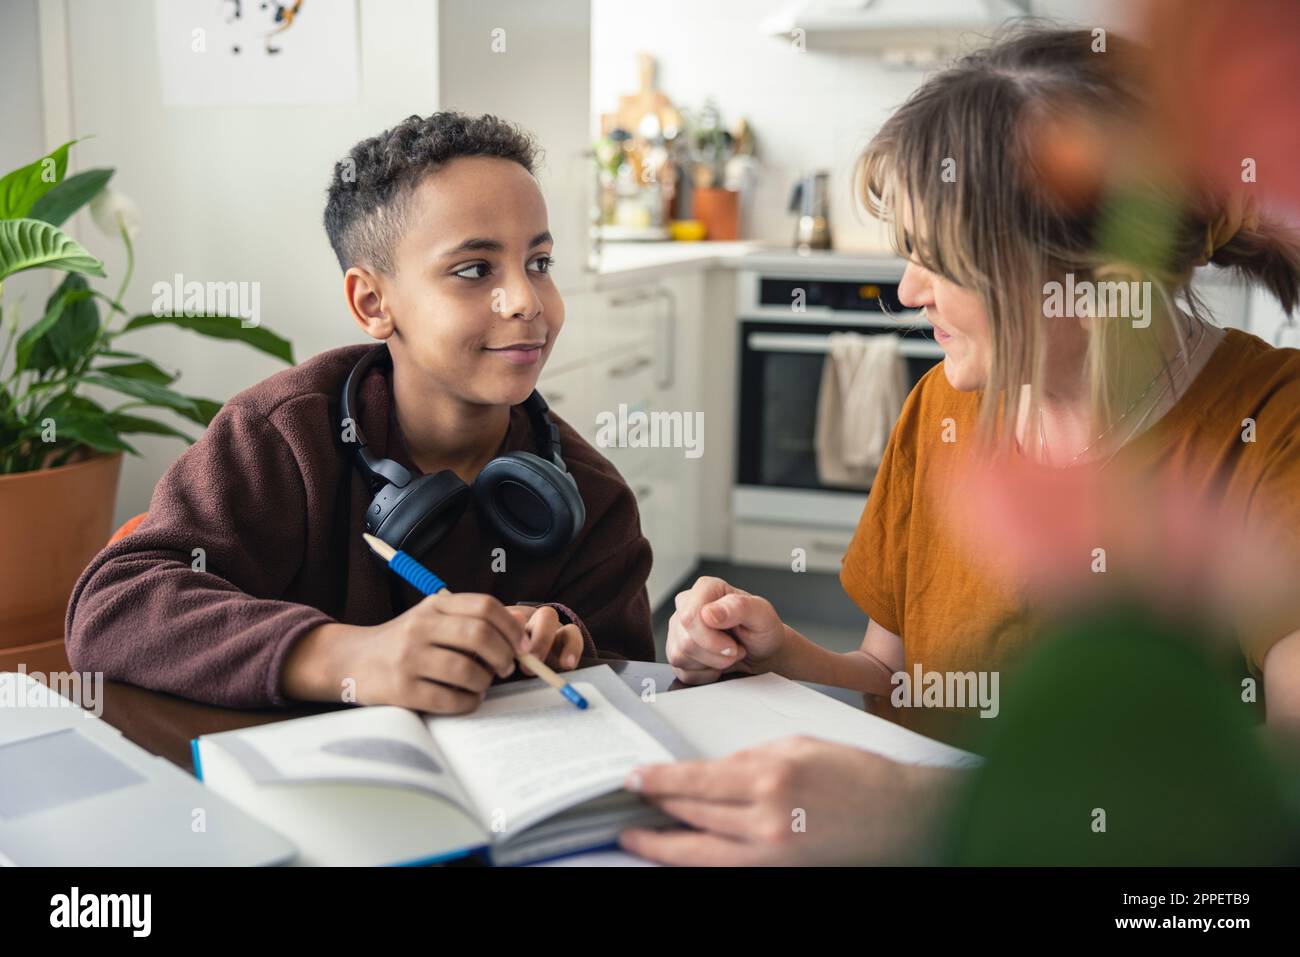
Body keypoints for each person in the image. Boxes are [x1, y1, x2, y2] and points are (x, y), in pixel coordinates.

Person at [621, 27, 1300, 866]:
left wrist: (931, 810)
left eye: (942, 260)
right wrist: (777, 656)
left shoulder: (1275, 428)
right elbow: (894, 676)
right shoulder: (939, 410)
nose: (907, 291)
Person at [66, 112, 654, 713]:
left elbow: (632, 677)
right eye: (475, 270)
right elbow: (114, 605)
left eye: (540, 263)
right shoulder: (281, 435)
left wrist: (564, 637)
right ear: (373, 302)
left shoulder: (592, 494)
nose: (527, 301)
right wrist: (347, 657)